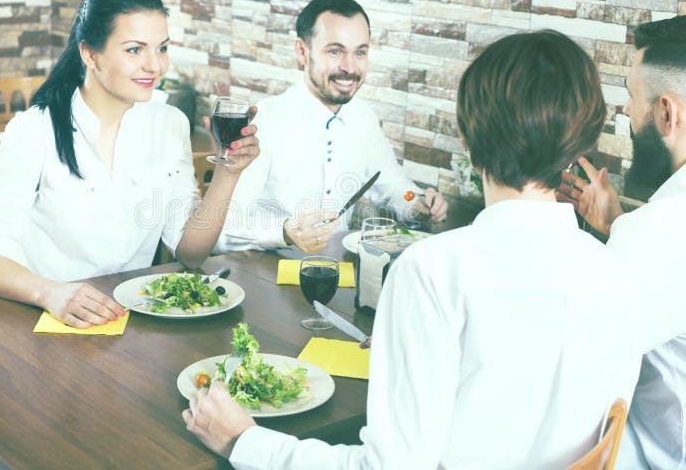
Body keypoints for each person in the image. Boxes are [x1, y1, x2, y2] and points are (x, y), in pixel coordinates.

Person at [183, 30, 686, 469]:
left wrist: (245, 441)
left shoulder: (432, 270)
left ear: (469, 140)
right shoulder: (620, 272)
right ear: (582, 143)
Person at [0, 0, 259, 328]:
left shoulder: (169, 124)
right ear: (89, 53)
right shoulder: (34, 130)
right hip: (45, 320)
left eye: (161, 48)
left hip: (132, 322)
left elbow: (190, 251)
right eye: (134, 50)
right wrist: (50, 293)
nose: (154, 66)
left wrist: (228, 172)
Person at [213, 0, 447, 254]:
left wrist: (419, 204)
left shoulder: (363, 117)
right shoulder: (265, 122)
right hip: (266, 275)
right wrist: (286, 231)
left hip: (338, 276)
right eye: (335, 51)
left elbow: (394, 189)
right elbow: (225, 229)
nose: (349, 67)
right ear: (302, 51)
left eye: (360, 52)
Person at [558, 15, 686, 470]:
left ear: (666, 113)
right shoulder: (657, 228)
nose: (626, 113)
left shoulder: (660, 231)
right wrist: (617, 225)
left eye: (632, 98)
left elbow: (572, 358)